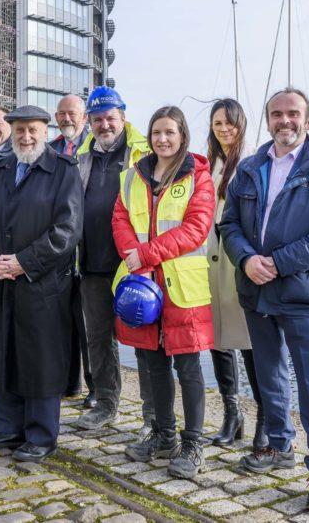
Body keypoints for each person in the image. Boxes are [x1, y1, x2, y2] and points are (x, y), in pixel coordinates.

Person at [220, 87, 309, 513]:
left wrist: (276, 262)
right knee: (270, 374)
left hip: (302, 292)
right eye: (277, 114)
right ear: (268, 120)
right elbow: (230, 224)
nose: (285, 121)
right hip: (256, 289)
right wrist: (245, 259)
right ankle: (279, 446)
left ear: (308, 120)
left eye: (293, 113)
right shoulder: (251, 167)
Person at [0, 105, 83, 463]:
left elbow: (66, 232)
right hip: (1, 280)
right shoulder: (1, 170)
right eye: (19, 130)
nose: (26, 137)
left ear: (43, 130)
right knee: (2, 353)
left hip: (43, 284)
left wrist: (23, 262)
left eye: (33, 130)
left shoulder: (63, 171)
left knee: (39, 360)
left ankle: (40, 434)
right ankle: (8, 427)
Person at [114, 106, 215, 479]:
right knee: (152, 367)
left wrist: (144, 253)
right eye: (156, 132)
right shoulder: (133, 177)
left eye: (170, 132)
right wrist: (132, 253)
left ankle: (193, 445)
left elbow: (196, 227)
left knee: (188, 369)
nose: (162, 139)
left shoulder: (198, 177)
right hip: (142, 286)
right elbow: (120, 218)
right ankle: (163, 434)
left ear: (182, 134)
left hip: (182, 288)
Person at [72, 87, 151, 431]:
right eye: (98, 119)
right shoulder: (82, 155)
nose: (105, 125)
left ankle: (154, 414)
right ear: (89, 121)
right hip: (90, 262)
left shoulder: (142, 155)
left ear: (123, 117)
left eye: (111, 118)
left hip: (131, 263)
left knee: (147, 340)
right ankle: (106, 403)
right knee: (98, 337)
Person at [205, 99, 266, 448]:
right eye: (217, 124)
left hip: (239, 257)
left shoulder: (252, 162)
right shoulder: (208, 164)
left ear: (241, 124)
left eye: (230, 123)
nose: (224, 129)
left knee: (249, 341)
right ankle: (232, 413)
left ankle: (264, 416)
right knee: (218, 339)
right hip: (210, 259)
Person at [49, 94, 96, 409]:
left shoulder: (96, 146)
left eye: (73, 113)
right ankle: (68, 383)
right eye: (62, 113)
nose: (67, 119)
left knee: (89, 325)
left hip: (90, 245)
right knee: (61, 322)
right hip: (58, 250)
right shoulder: (50, 149)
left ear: (85, 117)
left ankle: (96, 388)